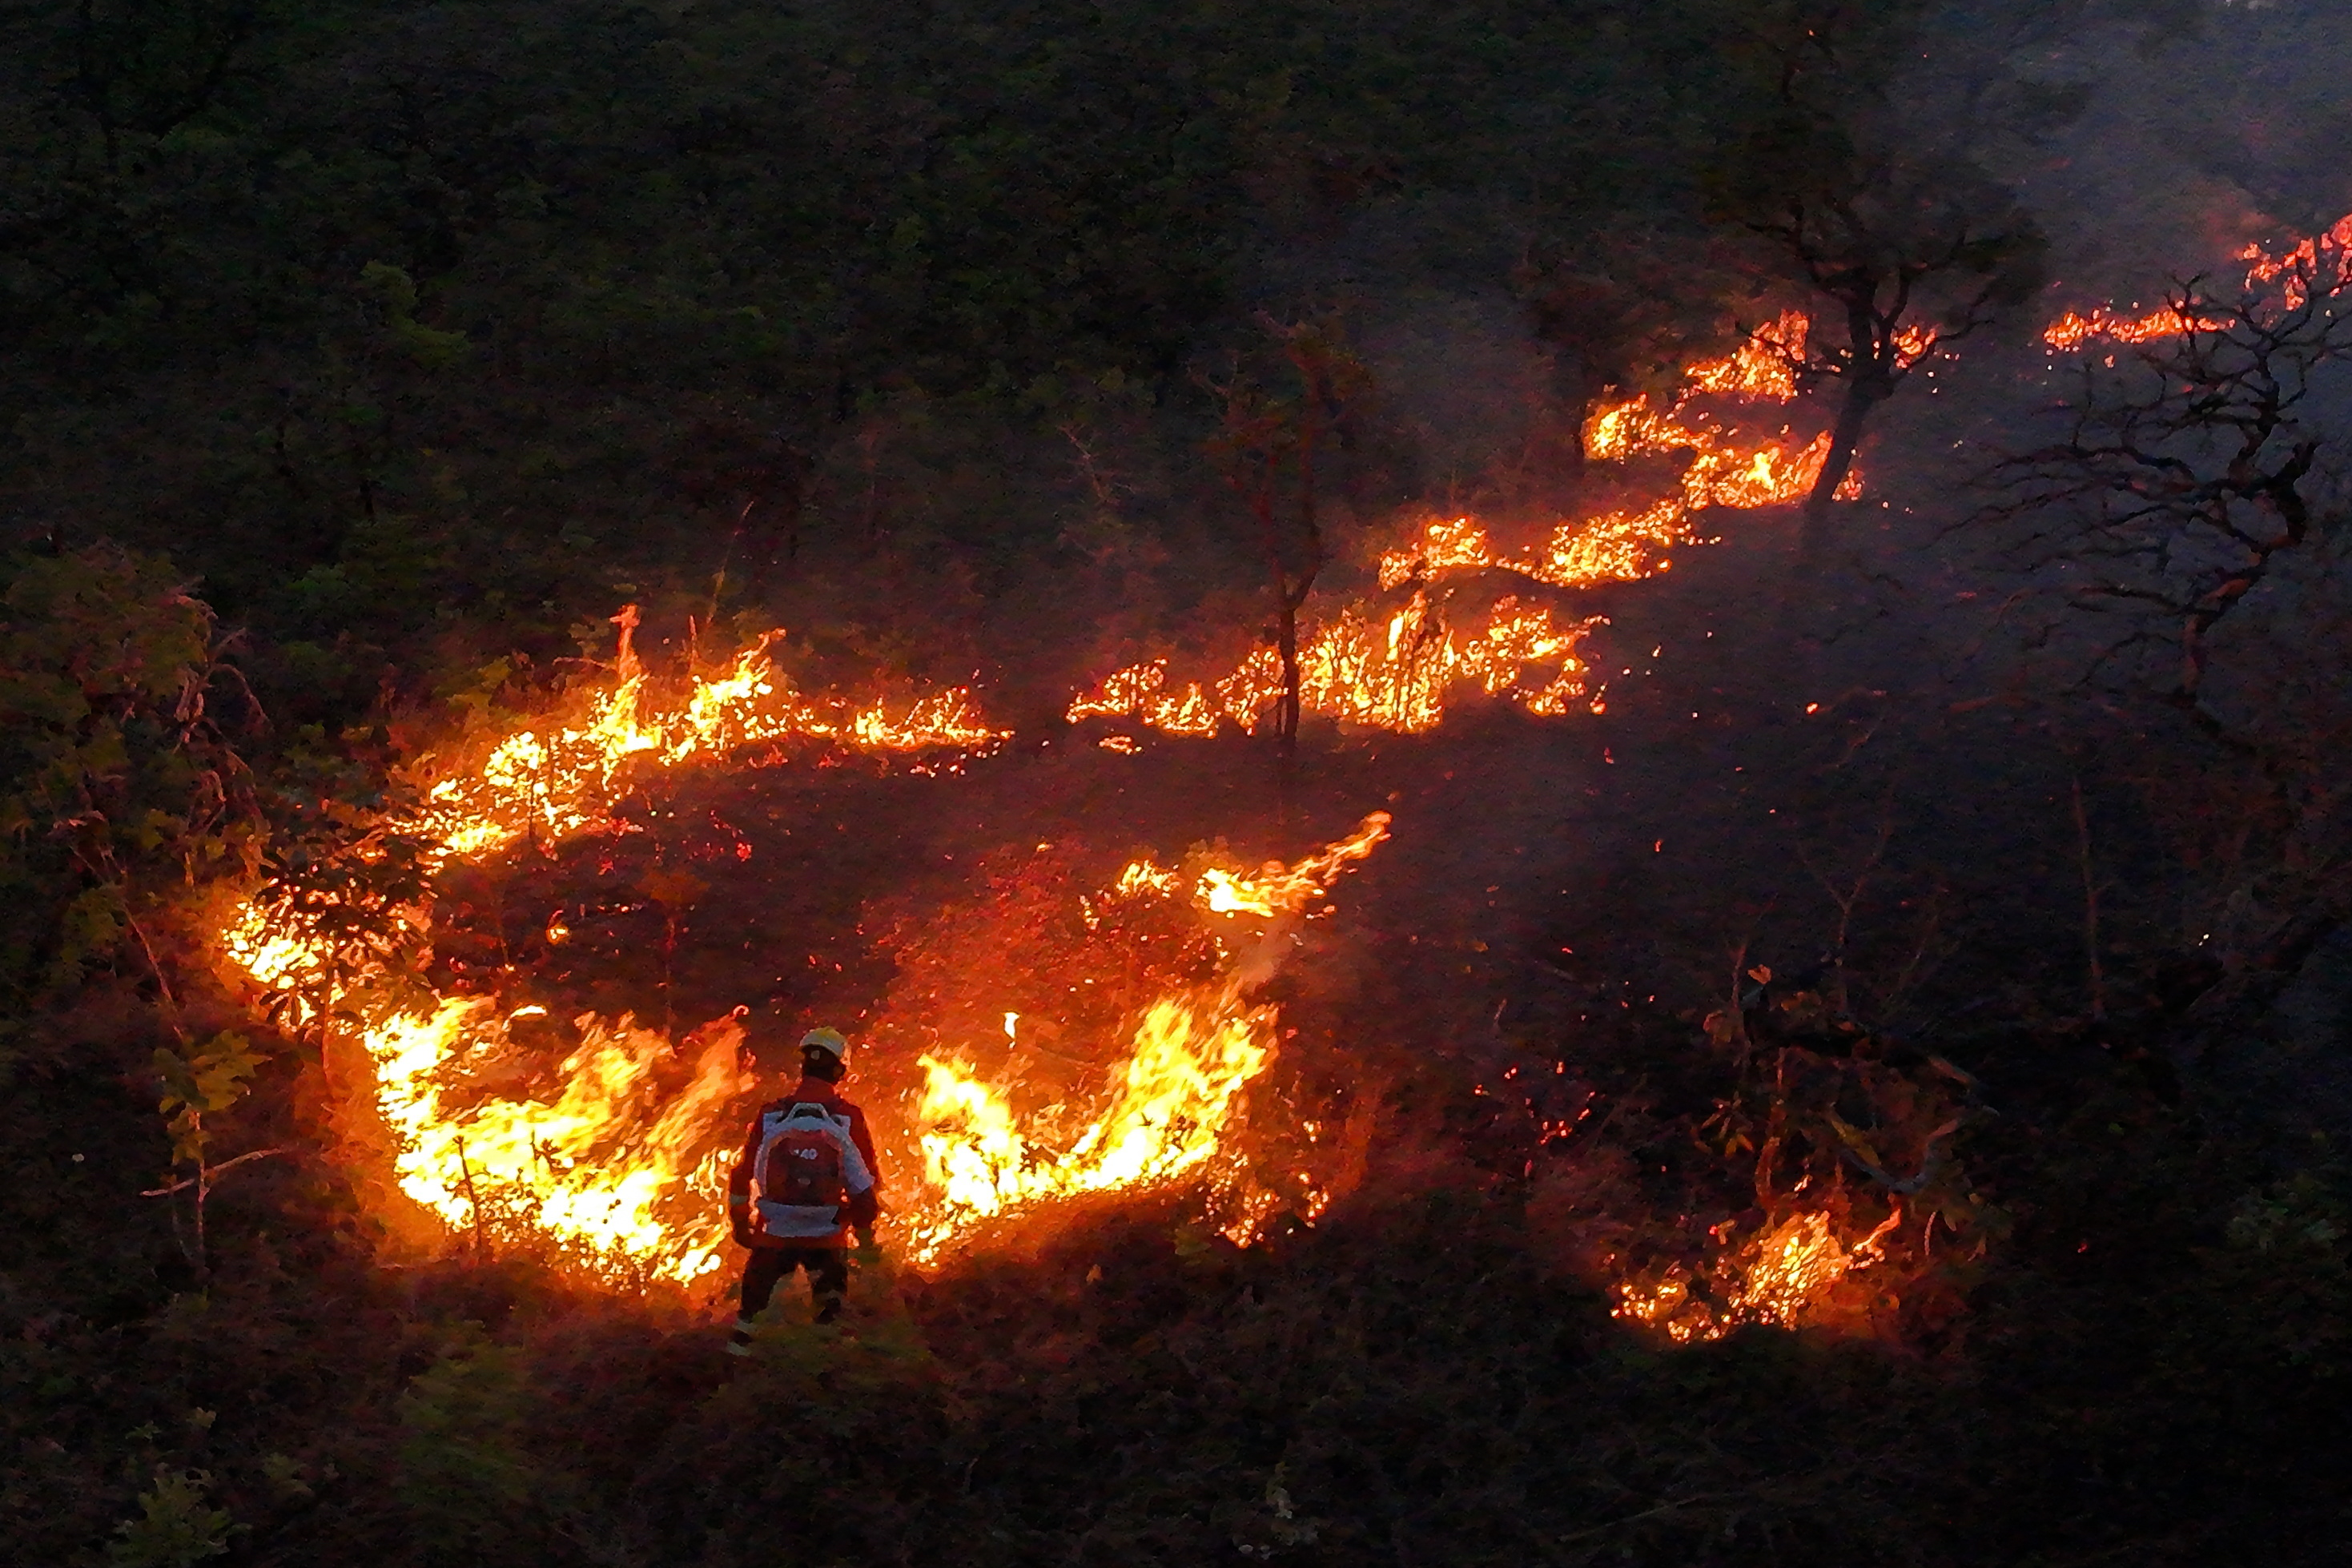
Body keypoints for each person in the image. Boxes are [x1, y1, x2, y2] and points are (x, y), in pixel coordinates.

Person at [726, 1026, 882, 1353]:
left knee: (747, 1325)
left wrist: (740, 1223)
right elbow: (866, 1186)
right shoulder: (848, 1117)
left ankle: (734, 1375)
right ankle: (820, 1383)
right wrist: (865, 1239)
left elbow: (742, 1176)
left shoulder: (771, 1115)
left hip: (773, 1235)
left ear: (803, 1066)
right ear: (840, 1069)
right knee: (830, 1327)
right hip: (827, 1236)